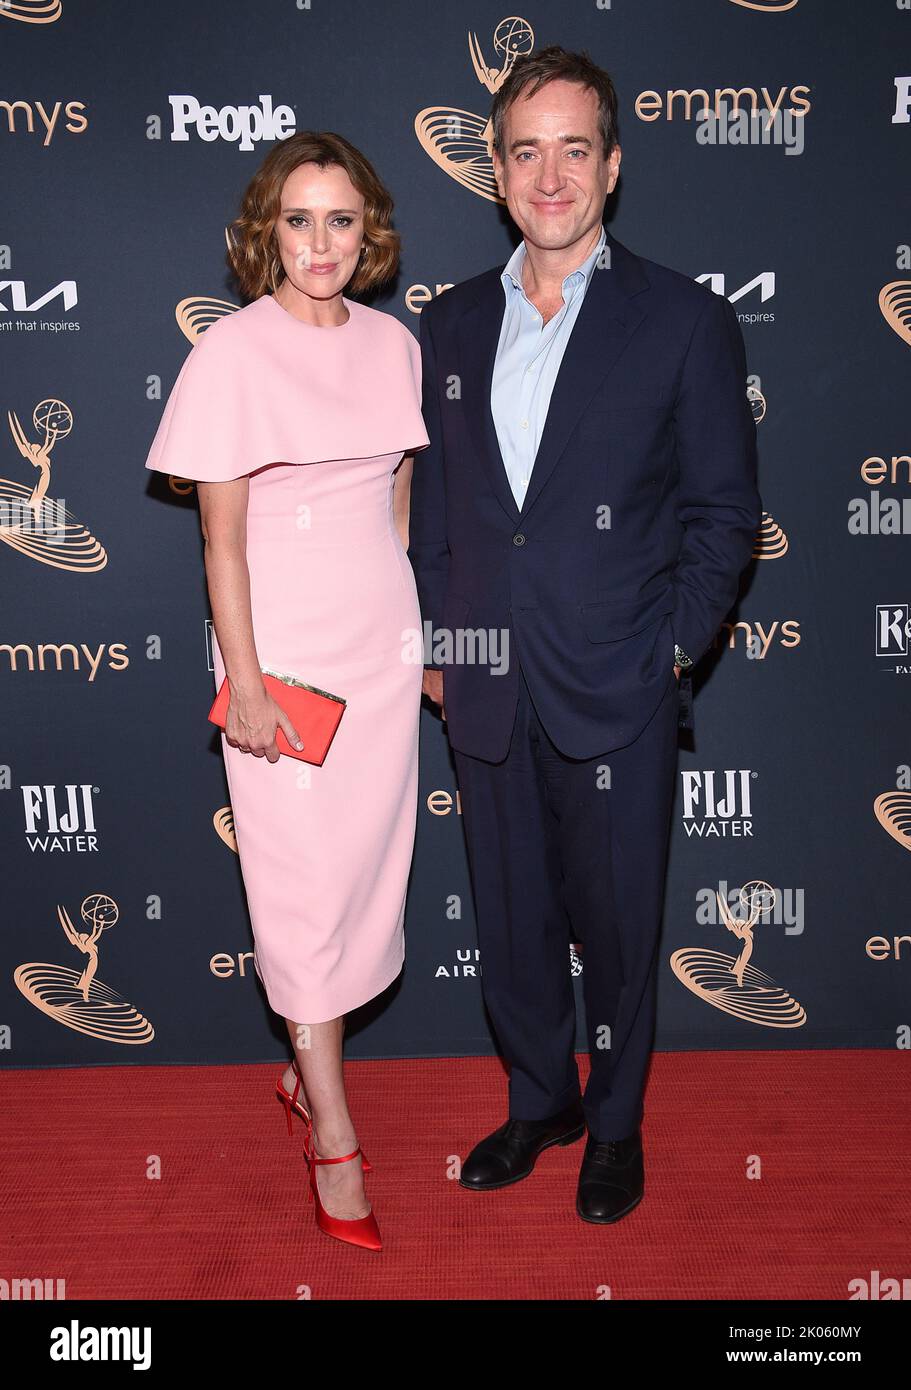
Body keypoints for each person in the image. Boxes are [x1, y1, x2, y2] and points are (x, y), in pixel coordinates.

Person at [408, 47, 762, 1223]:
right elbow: (443, 524)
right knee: (507, 921)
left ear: (610, 165)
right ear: (495, 172)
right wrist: (448, 662)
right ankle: (538, 1098)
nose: (547, 174)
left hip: (616, 679)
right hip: (487, 685)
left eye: (573, 148)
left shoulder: (683, 320)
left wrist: (664, 651)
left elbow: (723, 513)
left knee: (615, 925)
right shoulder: (450, 324)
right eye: (523, 150)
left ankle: (613, 1122)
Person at [144, 132, 428, 1251]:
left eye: (342, 221)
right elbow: (220, 549)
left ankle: (306, 1079)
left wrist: (413, 634)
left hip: (377, 650)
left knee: (361, 876)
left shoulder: (396, 346)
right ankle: (334, 1135)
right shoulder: (231, 356)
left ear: (371, 233)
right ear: (266, 229)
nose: (320, 244)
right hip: (283, 665)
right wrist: (246, 685)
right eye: (299, 220)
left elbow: (398, 497)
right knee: (301, 891)